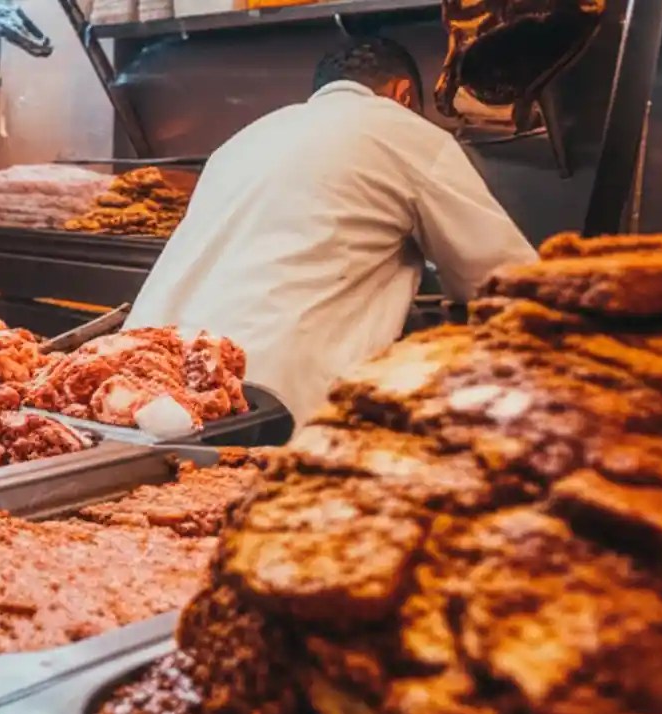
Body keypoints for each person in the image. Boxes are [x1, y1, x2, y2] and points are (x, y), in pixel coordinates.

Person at [124, 36, 537, 426]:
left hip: (146, 377)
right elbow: (504, 281)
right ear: (404, 94)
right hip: (264, 397)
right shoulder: (403, 129)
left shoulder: (248, 136)